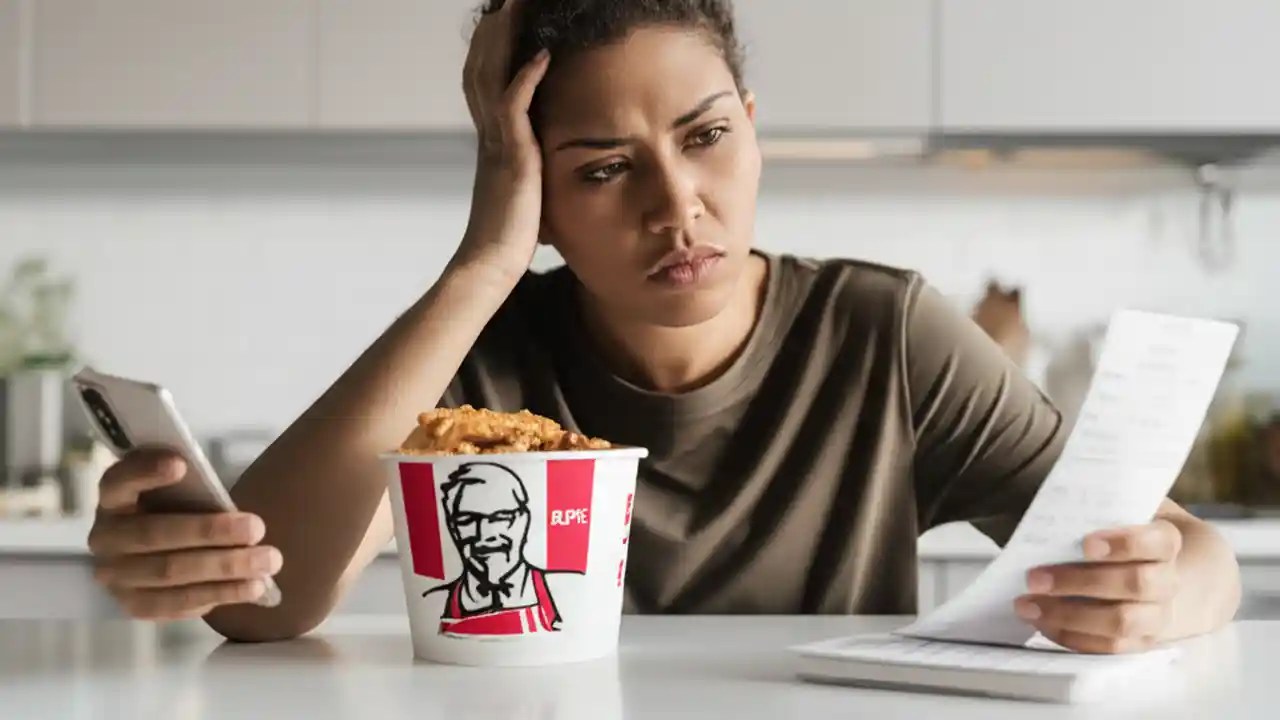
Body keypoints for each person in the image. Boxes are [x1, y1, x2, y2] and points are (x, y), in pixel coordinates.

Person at [86, 0, 1240, 654]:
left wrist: (1168, 591)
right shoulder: (483, 364)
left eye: (704, 138)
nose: (676, 207)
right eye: (601, 169)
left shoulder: (883, 335)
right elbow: (263, 601)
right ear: (535, 194)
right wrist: (485, 261)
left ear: (751, 126)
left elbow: (1188, 553)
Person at [429, 462, 563, 636]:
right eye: (467, 520)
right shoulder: (433, 602)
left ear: (524, 521)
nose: (485, 534)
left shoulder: (564, 590)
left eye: (501, 517)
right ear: (453, 529)